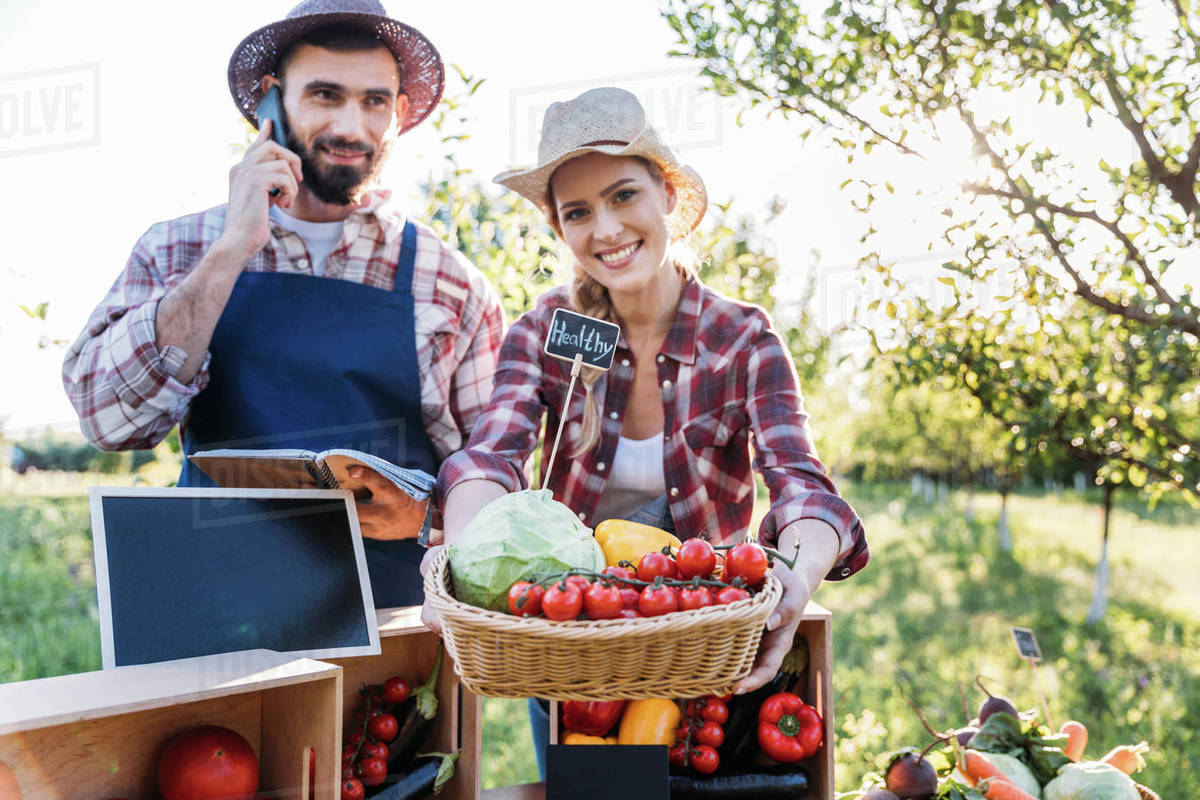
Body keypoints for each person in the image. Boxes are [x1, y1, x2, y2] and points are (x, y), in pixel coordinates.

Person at [424, 86, 869, 773]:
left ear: (667, 195)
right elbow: (492, 457)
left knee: (690, 790)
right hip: (577, 644)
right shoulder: (550, 333)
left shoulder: (739, 339)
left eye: (624, 195)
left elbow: (801, 487)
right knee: (600, 790)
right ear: (558, 227)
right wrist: (461, 567)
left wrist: (798, 581)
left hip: (696, 636)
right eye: (578, 211)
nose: (604, 229)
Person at [61, 0, 504, 608]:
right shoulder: (180, 249)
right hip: (215, 623)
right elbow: (109, 420)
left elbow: (493, 470)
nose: (352, 126)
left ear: (400, 113)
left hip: (394, 632)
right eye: (325, 94)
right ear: (272, 100)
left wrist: (428, 510)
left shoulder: (449, 283)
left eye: (374, 101)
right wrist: (233, 249)